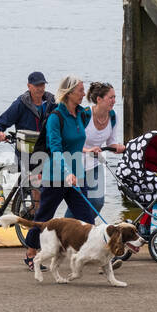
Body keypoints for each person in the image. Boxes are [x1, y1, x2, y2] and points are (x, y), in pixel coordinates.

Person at [22, 74, 95, 271]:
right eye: (80, 90)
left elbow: (77, 142)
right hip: (56, 176)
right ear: (70, 93)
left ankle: (96, 255)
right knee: (45, 216)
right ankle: (30, 253)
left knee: (86, 217)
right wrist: (67, 172)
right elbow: (55, 149)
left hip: (76, 176)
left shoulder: (82, 114)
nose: (83, 94)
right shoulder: (56, 117)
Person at [0, 71, 54, 261]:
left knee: (49, 189)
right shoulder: (21, 103)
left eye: (42, 85)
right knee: (36, 188)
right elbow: (1, 121)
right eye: (36, 86)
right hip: (25, 153)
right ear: (29, 86)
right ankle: (36, 226)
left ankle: (37, 219)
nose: (40, 89)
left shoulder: (50, 102)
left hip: (46, 152)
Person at [66, 81, 123, 219]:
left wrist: (119, 147)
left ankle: (83, 229)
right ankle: (67, 229)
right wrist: (88, 150)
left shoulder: (113, 116)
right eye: (111, 97)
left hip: (94, 165)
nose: (114, 101)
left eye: (115, 97)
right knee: (78, 203)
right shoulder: (84, 115)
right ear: (99, 99)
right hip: (75, 164)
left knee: (97, 202)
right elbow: (70, 142)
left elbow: (111, 142)